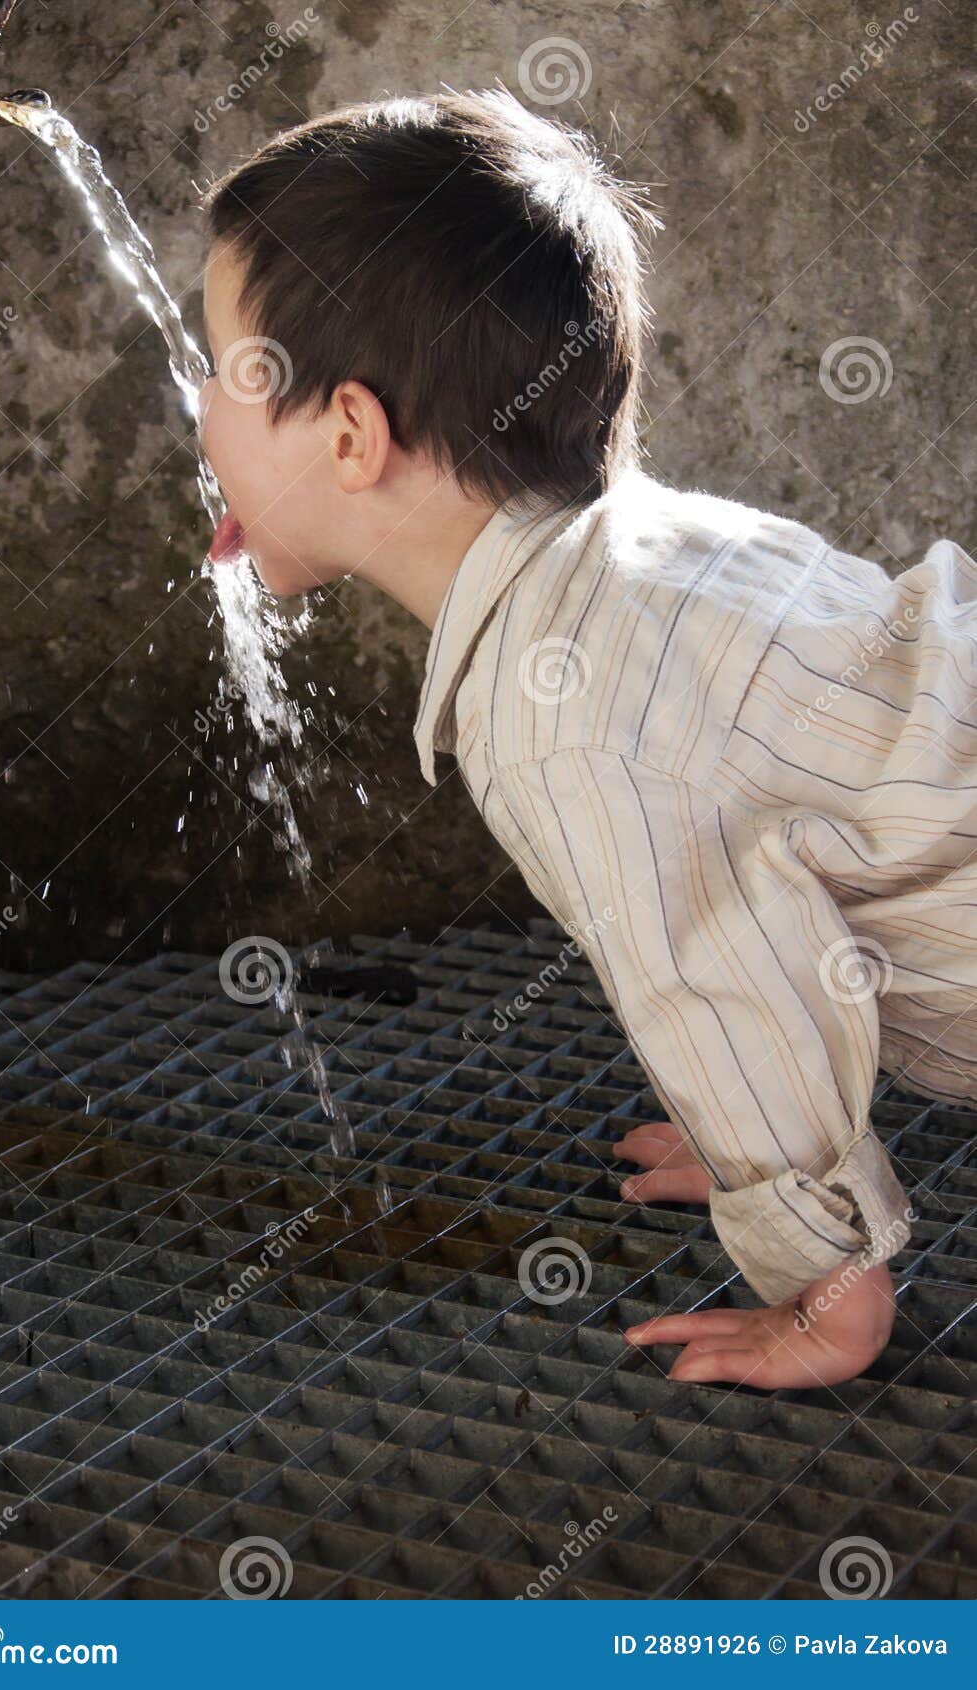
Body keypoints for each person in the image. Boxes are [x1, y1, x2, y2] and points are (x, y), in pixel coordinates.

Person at [197, 88, 975, 1389]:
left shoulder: (565, 728)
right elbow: (790, 865)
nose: (196, 410)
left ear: (348, 433)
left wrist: (812, 1268)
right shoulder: (651, 547)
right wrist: (738, 1117)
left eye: (221, 368)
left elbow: (728, 985)